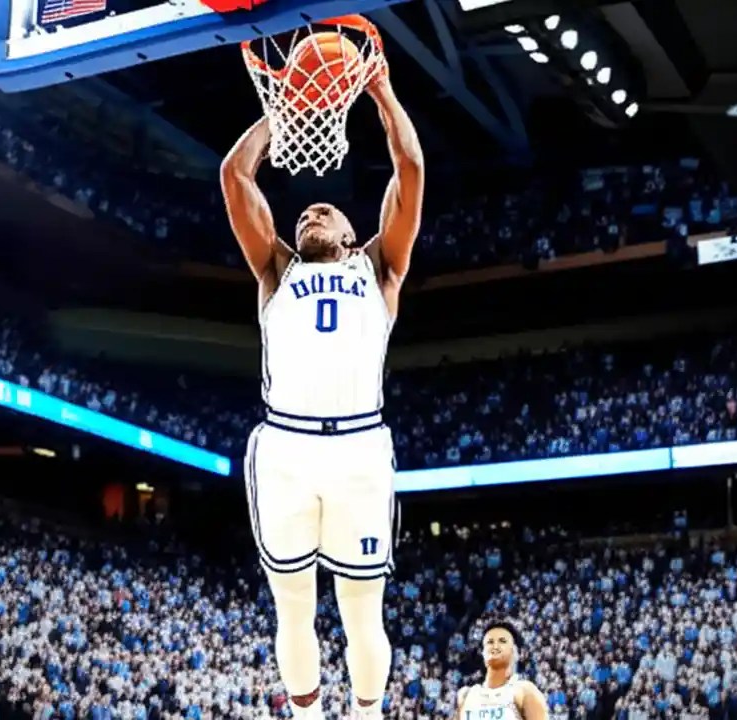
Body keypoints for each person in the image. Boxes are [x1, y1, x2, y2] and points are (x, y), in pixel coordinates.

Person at [219, 66, 424, 720]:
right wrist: (288, 112)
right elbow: (235, 177)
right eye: (305, 209)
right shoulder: (275, 267)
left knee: (362, 610)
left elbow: (411, 169)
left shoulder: (380, 266)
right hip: (284, 447)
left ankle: (366, 716)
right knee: (293, 605)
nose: (311, 211)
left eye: (325, 210)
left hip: (361, 448)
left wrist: (382, 93)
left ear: (347, 235)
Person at [454, 620, 550, 720]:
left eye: (502, 641)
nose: (495, 646)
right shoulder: (466, 695)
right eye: (490, 642)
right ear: (482, 653)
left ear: (515, 652)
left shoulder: (523, 691)